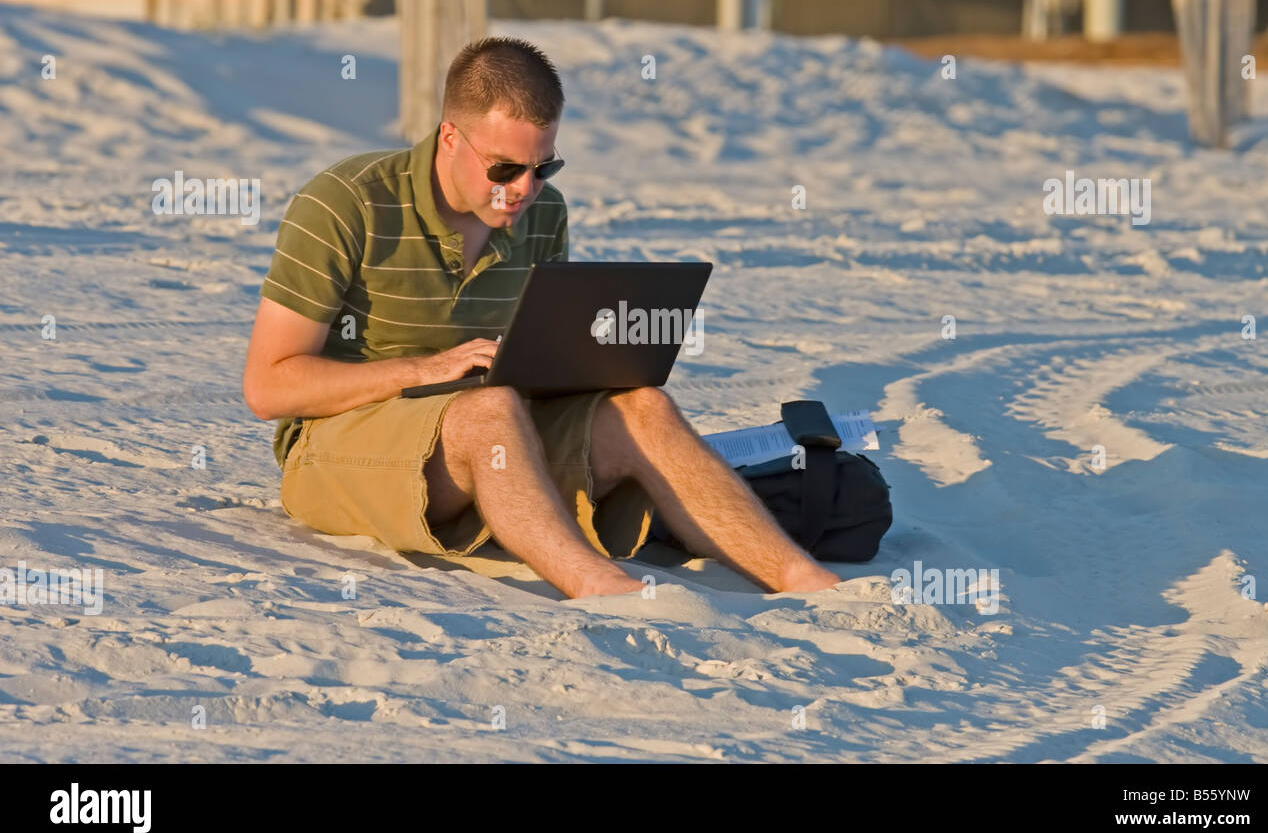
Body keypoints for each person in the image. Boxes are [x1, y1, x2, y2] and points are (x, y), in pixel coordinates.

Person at [242, 36, 841, 600]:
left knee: (642, 409)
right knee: (489, 410)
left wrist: (595, 364)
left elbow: (543, 364)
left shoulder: (543, 213)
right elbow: (270, 387)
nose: (524, 189)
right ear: (449, 137)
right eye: (503, 169)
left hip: (493, 438)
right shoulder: (344, 203)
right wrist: (424, 370)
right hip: (337, 450)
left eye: (543, 167)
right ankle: (599, 587)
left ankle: (802, 578)